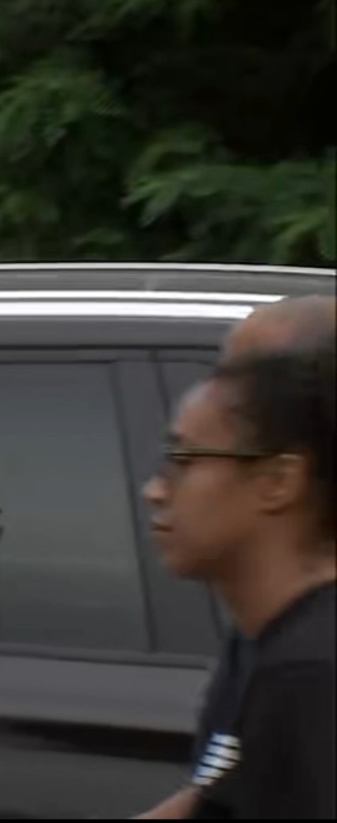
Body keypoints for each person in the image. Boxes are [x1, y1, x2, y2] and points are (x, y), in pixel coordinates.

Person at [138, 296, 335, 820]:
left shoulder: (314, 676)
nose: (154, 491)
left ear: (278, 479)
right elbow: (215, 799)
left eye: (183, 460)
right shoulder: (270, 640)